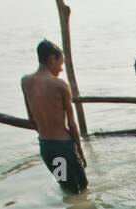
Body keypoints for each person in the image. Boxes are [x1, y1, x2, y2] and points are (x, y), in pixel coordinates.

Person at [21, 39, 88, 194]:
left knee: (66, 187)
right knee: (82, 189)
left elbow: (32, 119)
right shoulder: (60, 85)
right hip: (64, 148)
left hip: (46, 149)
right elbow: (72, 124)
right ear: (52, 59)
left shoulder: (25, 82)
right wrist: (80, 151)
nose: (61, 69)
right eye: (60, 64)